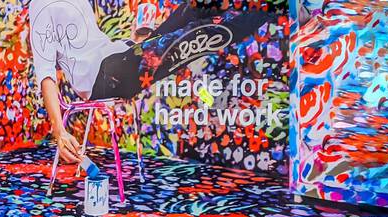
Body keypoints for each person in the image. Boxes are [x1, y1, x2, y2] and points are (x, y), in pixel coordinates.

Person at [29, 0, 271, 165]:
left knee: (189, 11)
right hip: (103, 77)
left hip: (118, 58)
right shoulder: (42, 7)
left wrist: (132, 42)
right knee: (197, 36)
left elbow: (91, 45)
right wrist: (59, 131)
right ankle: (271, 8)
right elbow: (45, 73)